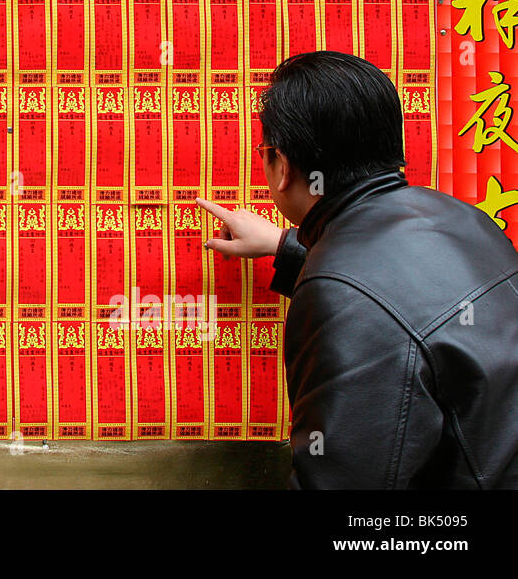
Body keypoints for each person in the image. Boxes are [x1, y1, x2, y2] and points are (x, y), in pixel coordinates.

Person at [196, 50, 518, 489]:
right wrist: (282, 246)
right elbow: (401, 296)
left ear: (283, 167)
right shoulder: (462, 217)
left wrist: (323, 272)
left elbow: (344, 478)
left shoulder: (339, 294)